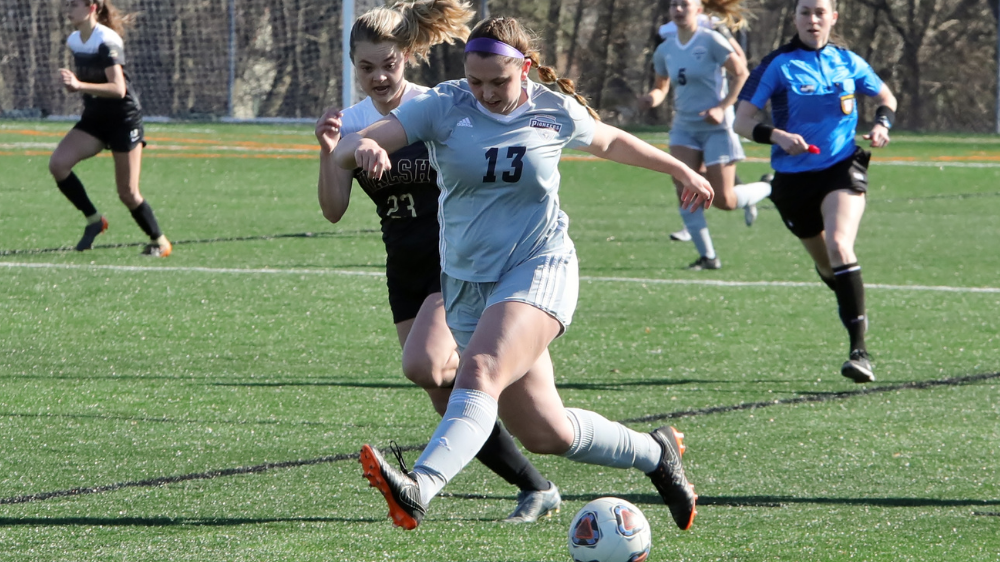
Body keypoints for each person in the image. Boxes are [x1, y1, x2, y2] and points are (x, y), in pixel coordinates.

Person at [334, 16, 714, 532]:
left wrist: (679, 168)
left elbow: (609, 141)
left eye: (499, 81)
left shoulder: (553, 109)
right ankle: (655, 452)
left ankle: (419, 486)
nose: (487, 93)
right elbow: (350, 146)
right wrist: (365, 146)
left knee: (479, 372)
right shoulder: (444, 104)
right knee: (545, 432)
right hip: (467, 282)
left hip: (538, 264)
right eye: (476, 81)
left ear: (526, 69)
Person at [316, 0, 560, 523]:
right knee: (444, 392)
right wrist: (329, 150)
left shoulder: (438, 107)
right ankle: (536, 486)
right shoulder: (351, 123)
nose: (379, 77)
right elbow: (333, 210)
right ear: (352, 65)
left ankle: (429, 474)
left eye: (389, 64)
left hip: (453, 262)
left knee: (424, 365)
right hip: (403, 268)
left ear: (407, 57)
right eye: (366, 67)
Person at [733, 0, 897, 382]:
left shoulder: (848, 61)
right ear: (795, 18)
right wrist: (777, 135)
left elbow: (886, 98)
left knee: (840, 246)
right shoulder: (778, 65)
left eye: (820, 12)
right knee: (828, 266)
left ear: (833, 17)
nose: (813, 19)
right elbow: (741, 121)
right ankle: (848, 297)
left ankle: (859, 351)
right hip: (793, 180)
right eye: (805, 12)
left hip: (841, 166)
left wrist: (882, 124)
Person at [640, 0, 771, 270]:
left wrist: (722, 108)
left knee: (724, 200)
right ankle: (708, 257)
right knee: (684, 188)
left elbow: (741, 74)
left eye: (684, 4)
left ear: (698, 10)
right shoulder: (665, 49)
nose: (678, 9)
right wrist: (651, 99)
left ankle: (770, 187)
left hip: (717, 128)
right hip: (684, 127)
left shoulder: (711, 40)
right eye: (674, 4)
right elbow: (661, 87)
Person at [49, 0, 171, 256]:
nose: (69, 10)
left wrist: (79, 85)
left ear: (92, 8)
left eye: (74, 4)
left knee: (127, 193)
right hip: (95, 118)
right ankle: (94, 220)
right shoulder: (74, 40)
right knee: (58, 165)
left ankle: (159, 241)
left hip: (123, 120)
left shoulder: (106, 40)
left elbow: (118, 89)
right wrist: (75, 85)